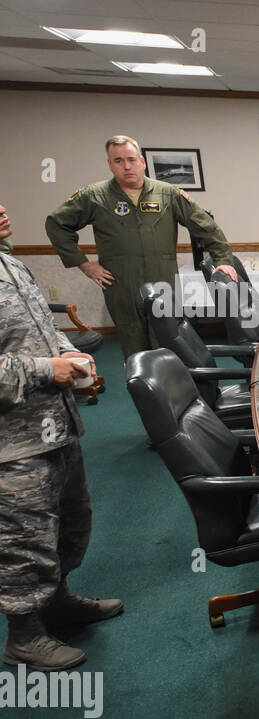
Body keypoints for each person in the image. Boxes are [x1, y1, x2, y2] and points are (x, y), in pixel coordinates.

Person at [1, 201, 123, 672]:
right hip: (12, 444)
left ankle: (57, 602)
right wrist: (44, 370)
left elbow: (43, 329)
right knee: (21, 535)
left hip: (54, 424)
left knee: (70, 518)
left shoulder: (9, 261)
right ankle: (25, 635)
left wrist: (70, 352)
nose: (3, 208)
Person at [45, 135, 238, 366]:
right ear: (109, 164)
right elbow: (56, 224)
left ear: (142, 161)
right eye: (118, 160)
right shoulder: (93, 196)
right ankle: (144, 396)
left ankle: (177, 396)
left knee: (170, 341)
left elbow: (206, 226)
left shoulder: (168, 194)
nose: (126, 166)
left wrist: (223, 259)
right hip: (121, 285)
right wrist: (84, 264)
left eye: (131, 159)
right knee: (134, 347)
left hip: (162, 281)